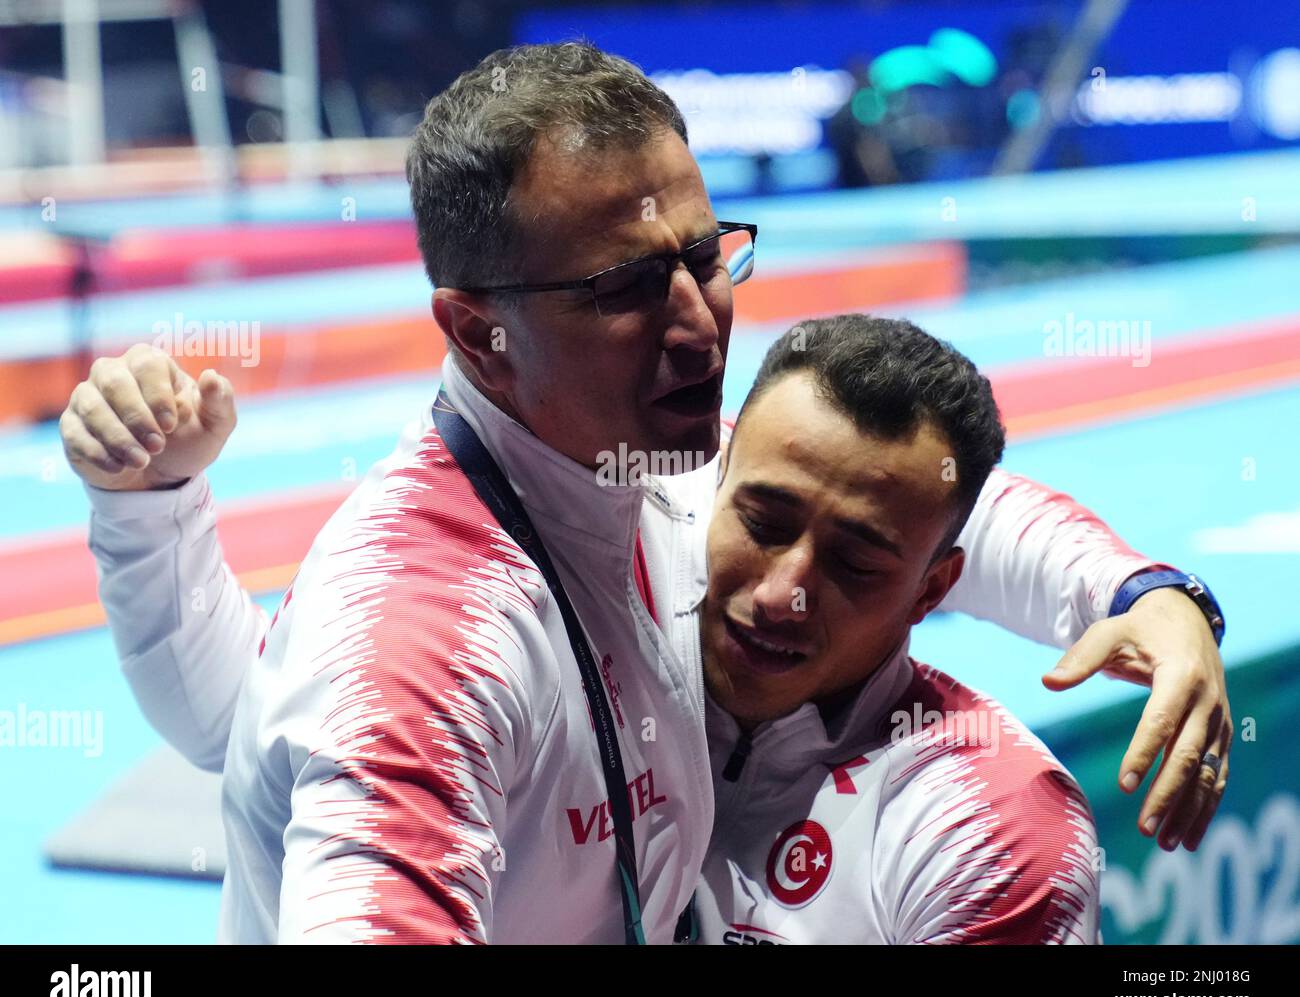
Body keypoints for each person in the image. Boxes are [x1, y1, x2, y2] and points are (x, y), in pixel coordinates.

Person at [59, 43, 1230, 944]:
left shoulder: (639, 458)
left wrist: (1147, 593)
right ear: (480, 330)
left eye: (705, 253)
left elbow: (923, 504)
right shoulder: (430, 637)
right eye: (625, 287)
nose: (698, 322)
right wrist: (145, 517)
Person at [695, 315, 1099, 944]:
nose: (781, 597)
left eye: (853, 563)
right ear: (711, 488)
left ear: (931, 591)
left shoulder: (985, 825)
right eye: (762, 525)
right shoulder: (586, 640)